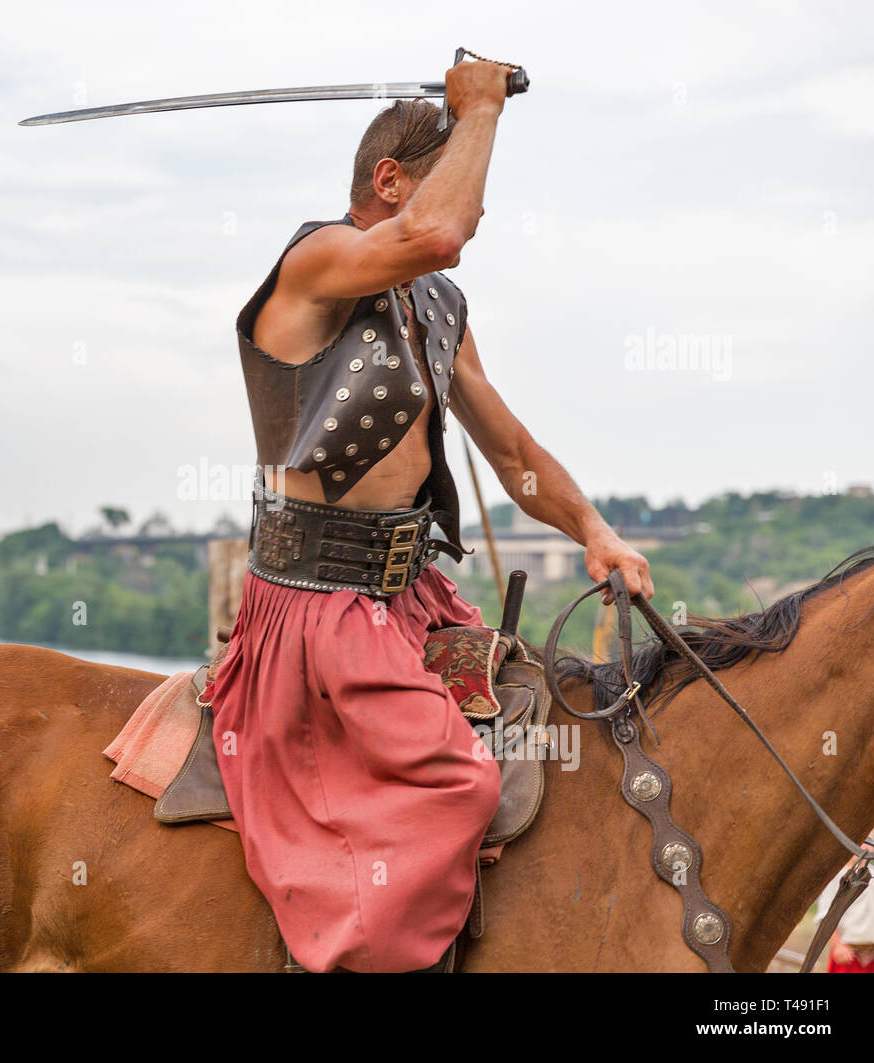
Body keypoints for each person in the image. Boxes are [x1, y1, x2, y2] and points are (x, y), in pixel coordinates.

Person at [208, 58, 654, 973]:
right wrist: (481, 105)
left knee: (551, 730)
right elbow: (444, 229)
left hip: (414, 599)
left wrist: (597, 531)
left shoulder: (439, 303)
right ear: (390, 181)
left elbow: (515, 455)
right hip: (318, 611)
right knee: (455, 785)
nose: (478, 213)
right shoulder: (315, 262)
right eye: (465, 181)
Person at [813, 867, 874, 972]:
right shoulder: (837, 876)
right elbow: (826, 915)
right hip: (847, 954)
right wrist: (837, 945)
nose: (866, 849)